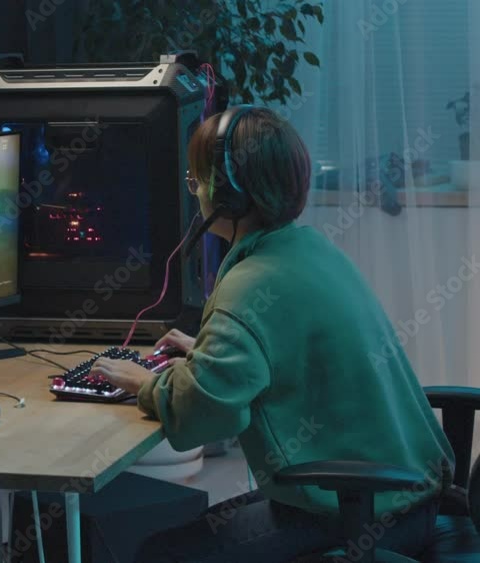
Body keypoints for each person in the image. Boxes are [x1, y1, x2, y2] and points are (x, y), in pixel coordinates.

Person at [90, 107, 454, 562]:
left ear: (229, 195)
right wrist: (206, 352)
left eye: (199, 180)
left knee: (161, 553)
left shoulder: (249, 285)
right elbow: (285, 349)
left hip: (363, 514)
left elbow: (207, 415)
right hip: (399, 493)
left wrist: (147, 383)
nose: (196, 191)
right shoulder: (311, 248)